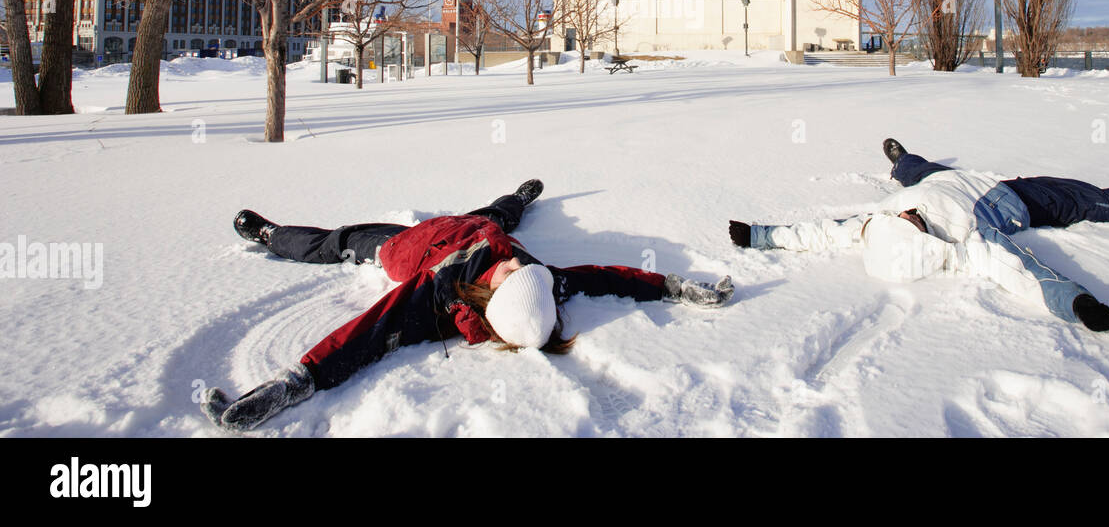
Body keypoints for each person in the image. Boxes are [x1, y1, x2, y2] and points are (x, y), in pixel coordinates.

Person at [203, 180, 733, 431]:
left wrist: (294, 383)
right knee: (501, 218)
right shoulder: (536, 279)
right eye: (530, 271)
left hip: (406, 243)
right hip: (477, 222)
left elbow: (367, 332)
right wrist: (672, 286)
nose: (520, 265)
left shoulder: (438, 290)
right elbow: (605, 276)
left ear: (492, 296)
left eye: (515, 274)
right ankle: (519, 198)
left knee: (335, 240)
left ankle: (269, 234)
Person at [729, 139, 1109, 333]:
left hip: (936, 178)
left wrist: (761, 235)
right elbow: (1022, 273)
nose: (909, 216)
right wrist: (1077, 303)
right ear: (927, 240)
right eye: (914, 223)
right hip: (1014, 195)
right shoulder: (966, 245)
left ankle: (901, 160)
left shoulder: (876, 222)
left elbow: (817, 234)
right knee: (1088, 199)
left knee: (916, 172)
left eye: (903, 219)